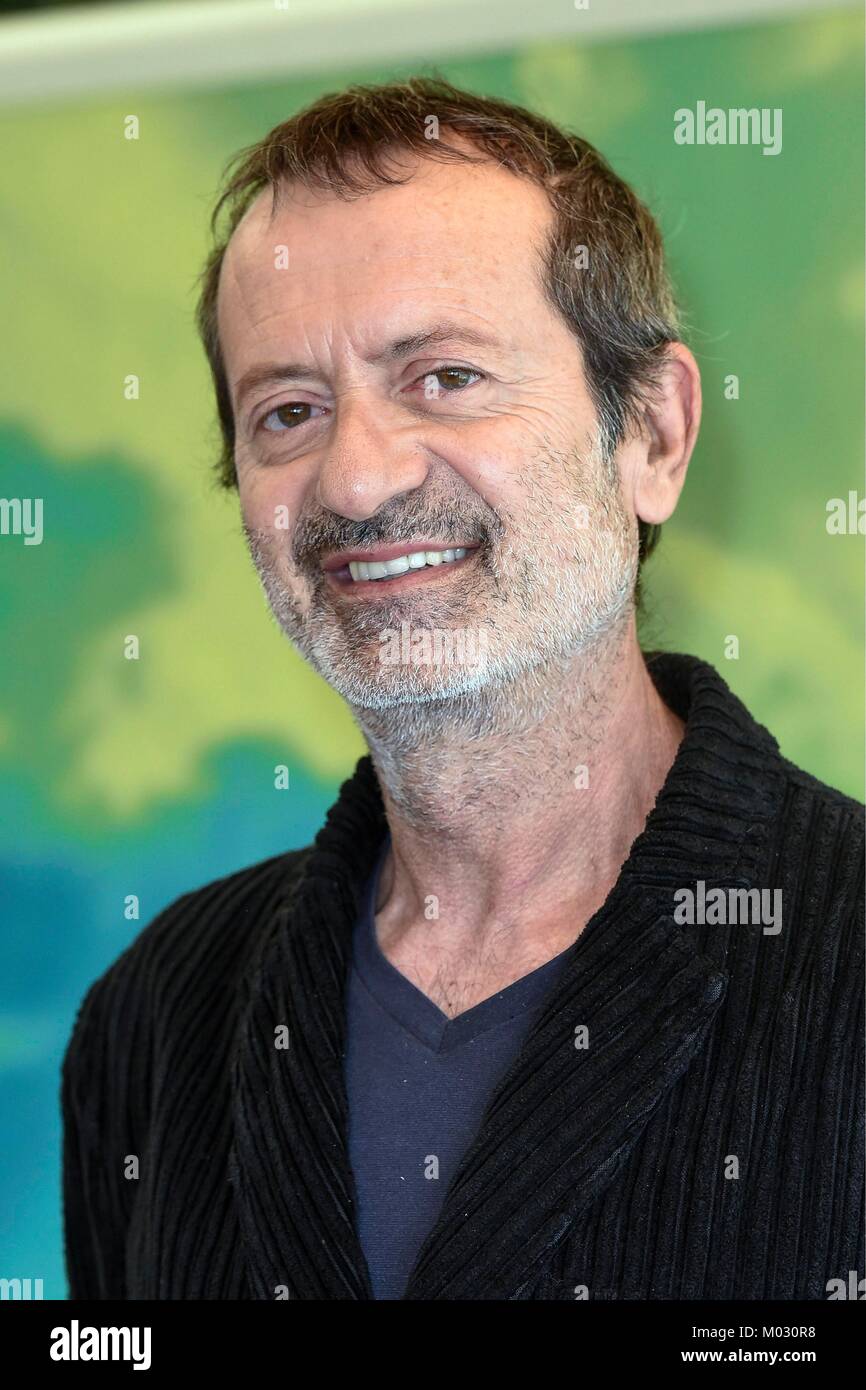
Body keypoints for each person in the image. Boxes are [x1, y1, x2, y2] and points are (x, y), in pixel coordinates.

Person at [62, 77, 864, 1301]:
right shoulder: (156, 1018)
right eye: (287, 410)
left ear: (651, 434)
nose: (359, 480)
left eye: (442, 377)